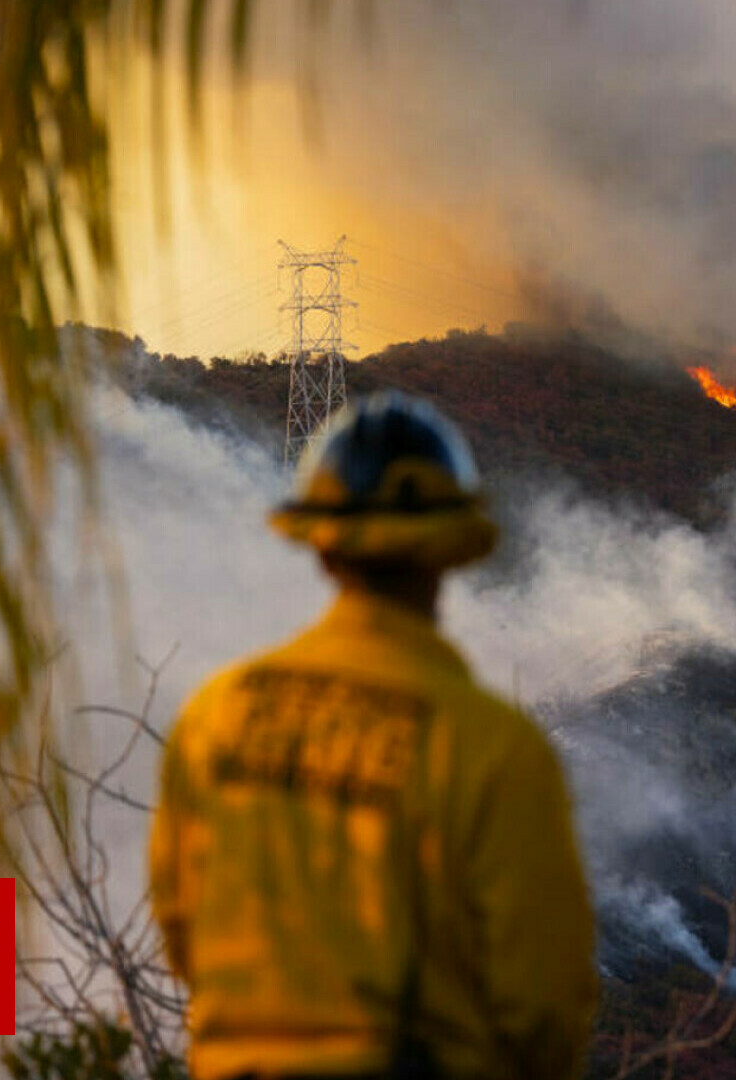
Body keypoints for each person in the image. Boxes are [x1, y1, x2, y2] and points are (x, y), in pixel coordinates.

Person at [149, 392, 599, 1080]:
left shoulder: (217, 712)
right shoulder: (494, 748)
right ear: (450, 553)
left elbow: (182, 928)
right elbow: (545, 1007)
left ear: (322, 548)